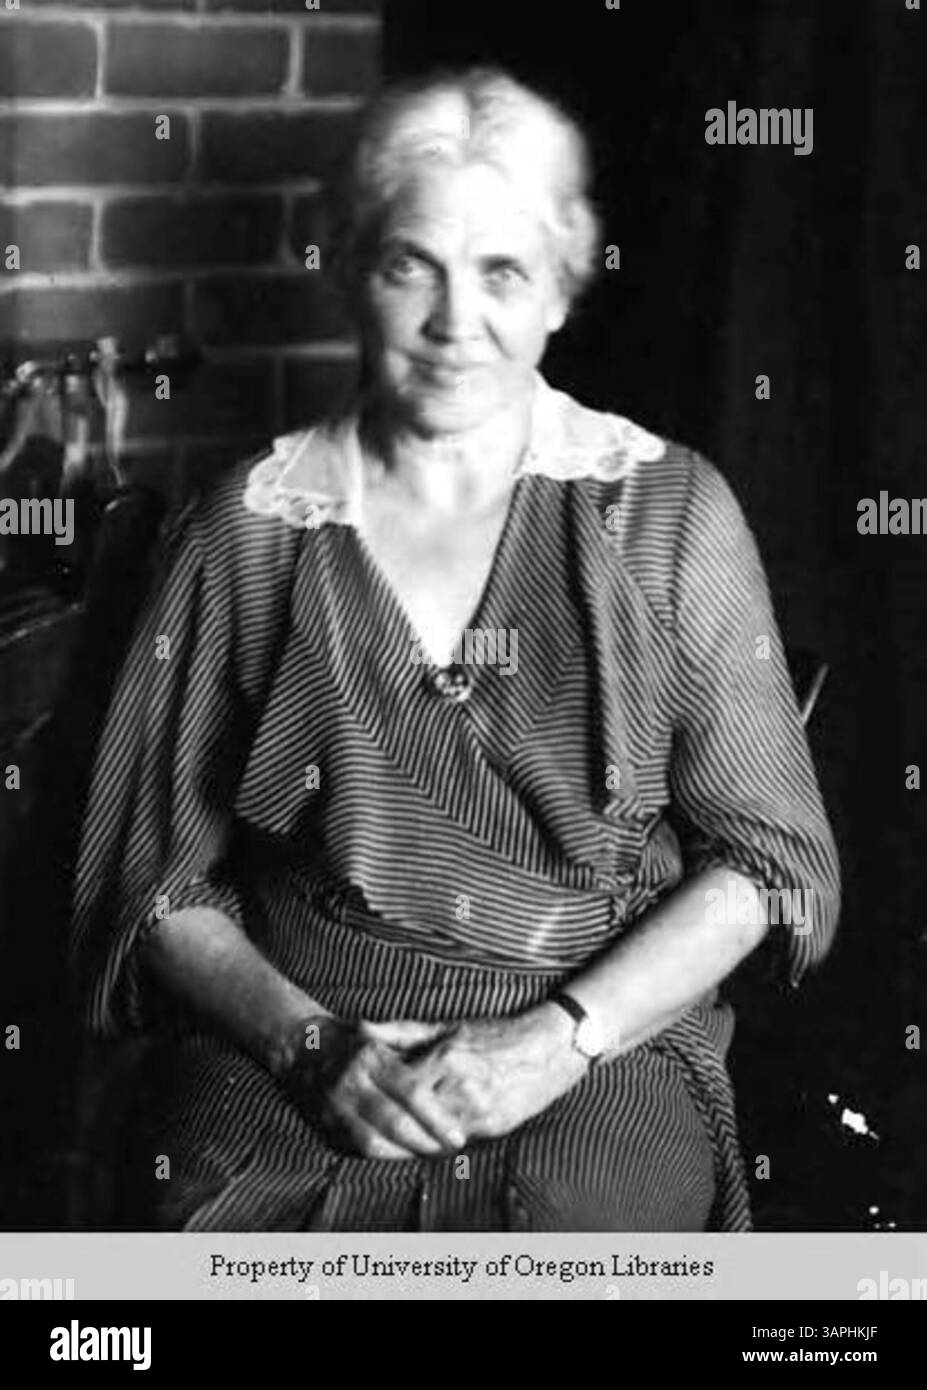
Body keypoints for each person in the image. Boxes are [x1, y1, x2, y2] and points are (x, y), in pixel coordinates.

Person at [71, 67, 841, 1232]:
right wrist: (307, 1044)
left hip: (598, 1039)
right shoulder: (247, 525)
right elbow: (151, 883)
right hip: (299, 1027)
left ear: (562, 293)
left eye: (502, 272)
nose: (453, 323)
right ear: (348, 271)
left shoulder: (669, 511)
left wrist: (555, 1042)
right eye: (409, 265)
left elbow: (767, 863)